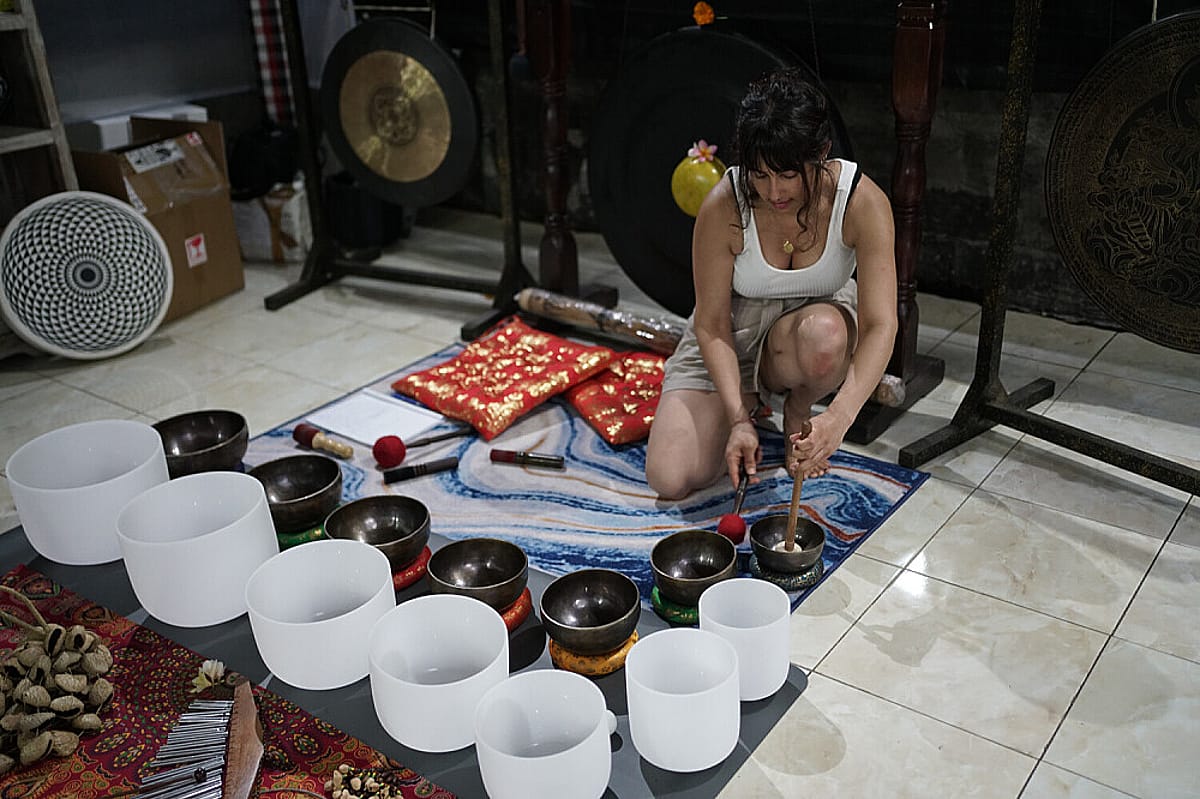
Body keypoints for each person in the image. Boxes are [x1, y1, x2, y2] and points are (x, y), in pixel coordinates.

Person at [645, 67, 897, 499]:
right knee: (670, 478)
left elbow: (881, 324)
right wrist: (737, 420)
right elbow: (711, 324)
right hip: (735, 332)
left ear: (820, 152)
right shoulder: (724, 203)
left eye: (788, 175)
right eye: (760, 175)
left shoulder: (862, 202)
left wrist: (838, 418)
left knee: (825, 335)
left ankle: (798, 404)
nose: (774, 191)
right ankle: (748, 404)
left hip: (812, 330)